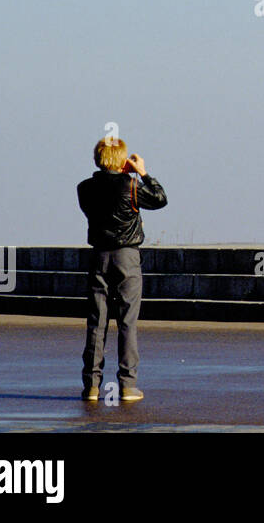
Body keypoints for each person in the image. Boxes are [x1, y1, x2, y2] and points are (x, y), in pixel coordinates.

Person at [77, 137, 168, 403]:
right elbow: (160, 199)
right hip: (127, 257)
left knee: (97, 321)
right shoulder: (131, 185)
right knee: (127, 320)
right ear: (122, 159)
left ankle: (92, 386)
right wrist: (142, 172)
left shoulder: (84, 188)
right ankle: (127, 385)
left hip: (99, 256)